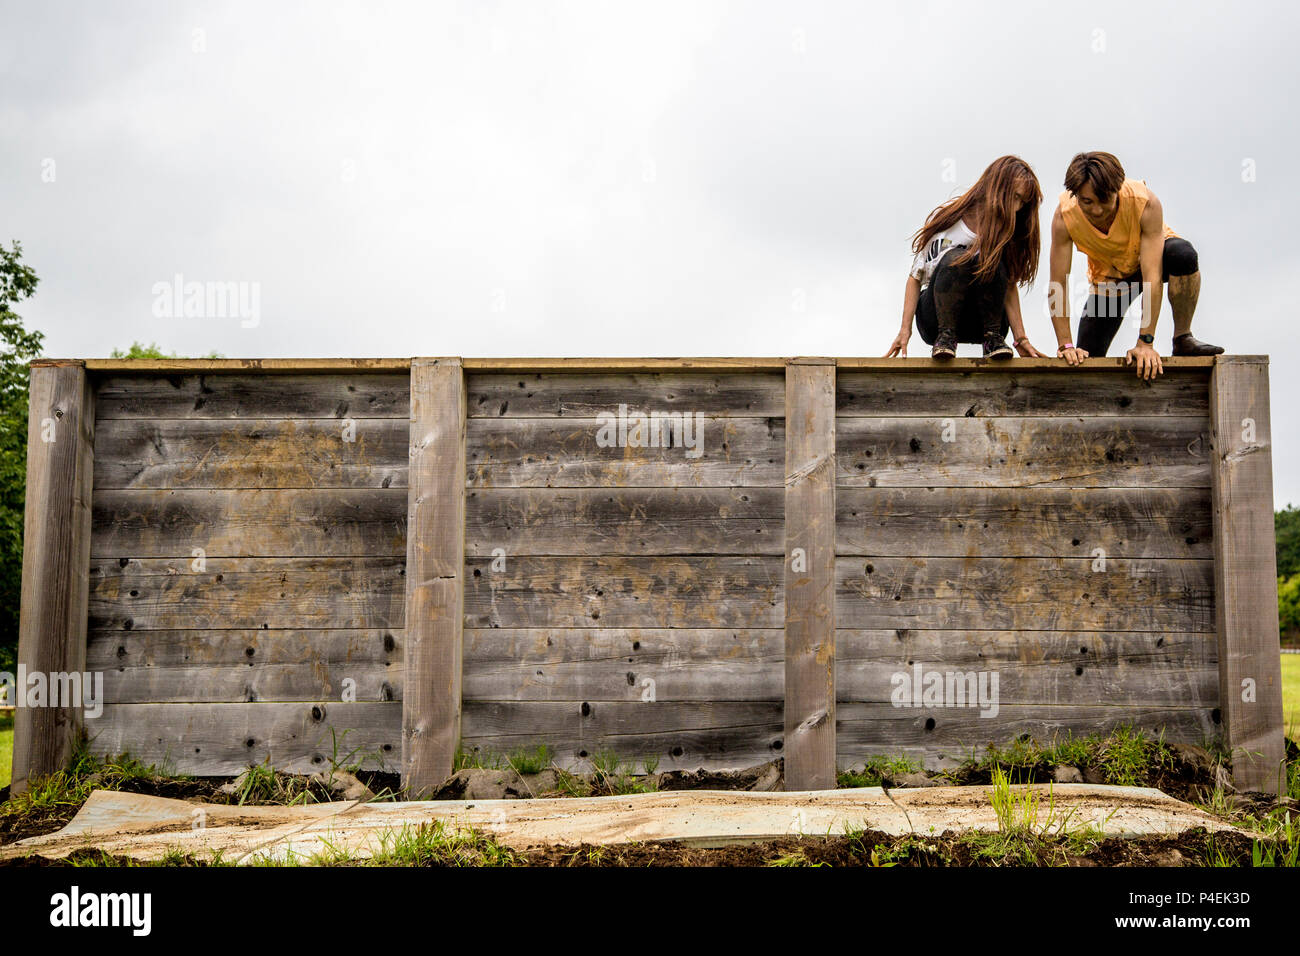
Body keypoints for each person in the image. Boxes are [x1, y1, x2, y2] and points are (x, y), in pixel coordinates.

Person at [1048, 151, 1222, 380]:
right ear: (1076, 195)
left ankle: (1183, 338)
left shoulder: (1145, 202)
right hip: (1111, 279)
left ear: (1117, 189)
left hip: (1151, 261)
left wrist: (1145, 342)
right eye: (1087, 202)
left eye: (1104, 201)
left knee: (1183, 254)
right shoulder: (1064, 216)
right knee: (1085, 358)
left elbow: (1152, 277)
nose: (1097, 211)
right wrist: (1065, 345)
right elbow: (1058, 283)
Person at [886, 155, 1046, 360]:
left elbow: (1009, 287)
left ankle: (992, 339)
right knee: (958, 258)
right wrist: (904, 331)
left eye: (1022, 203)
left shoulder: (1007, 233)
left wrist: (1021, 339)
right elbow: (915, 277)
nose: (1017, 208)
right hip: (934, 320)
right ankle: (946, 338)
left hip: (982, 321)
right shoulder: (949, 219)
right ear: (997, 188)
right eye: (1015, 197)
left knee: (990, 262)